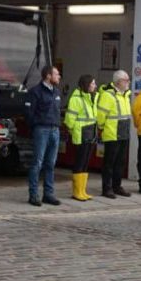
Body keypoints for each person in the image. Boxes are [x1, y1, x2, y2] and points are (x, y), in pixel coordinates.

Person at [24, 65, 63, 206]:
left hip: (55, 130)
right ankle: (33, 194)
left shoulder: (57, 92)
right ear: (48, 75)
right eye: (56, 74)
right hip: (42, 129)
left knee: (51, 164)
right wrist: (36, 125)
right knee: (37, 163)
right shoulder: (35, 92)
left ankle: (48, 193)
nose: (59, 77)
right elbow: (29, 113)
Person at [96, 70, 133, 198]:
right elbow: (101, 115)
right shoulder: (108, 95)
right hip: (112, 134)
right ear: (118, 82)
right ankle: (107, 188)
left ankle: (117, 186)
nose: (129, 82)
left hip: (124, 133)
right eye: (126, 80)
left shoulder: (126, 95)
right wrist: (102, 128)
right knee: (109, 163)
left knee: (120, 162)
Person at [63, 74, 98, 202]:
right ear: (86, 84)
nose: (95, 86)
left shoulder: (91, 97)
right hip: (81, 134)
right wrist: (74, 131)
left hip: (90, 134)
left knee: (85, 163)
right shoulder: (76, 98)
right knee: (79, 163)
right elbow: (69, 119)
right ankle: (77, 191)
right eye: (93, 83)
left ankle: (82, 190)